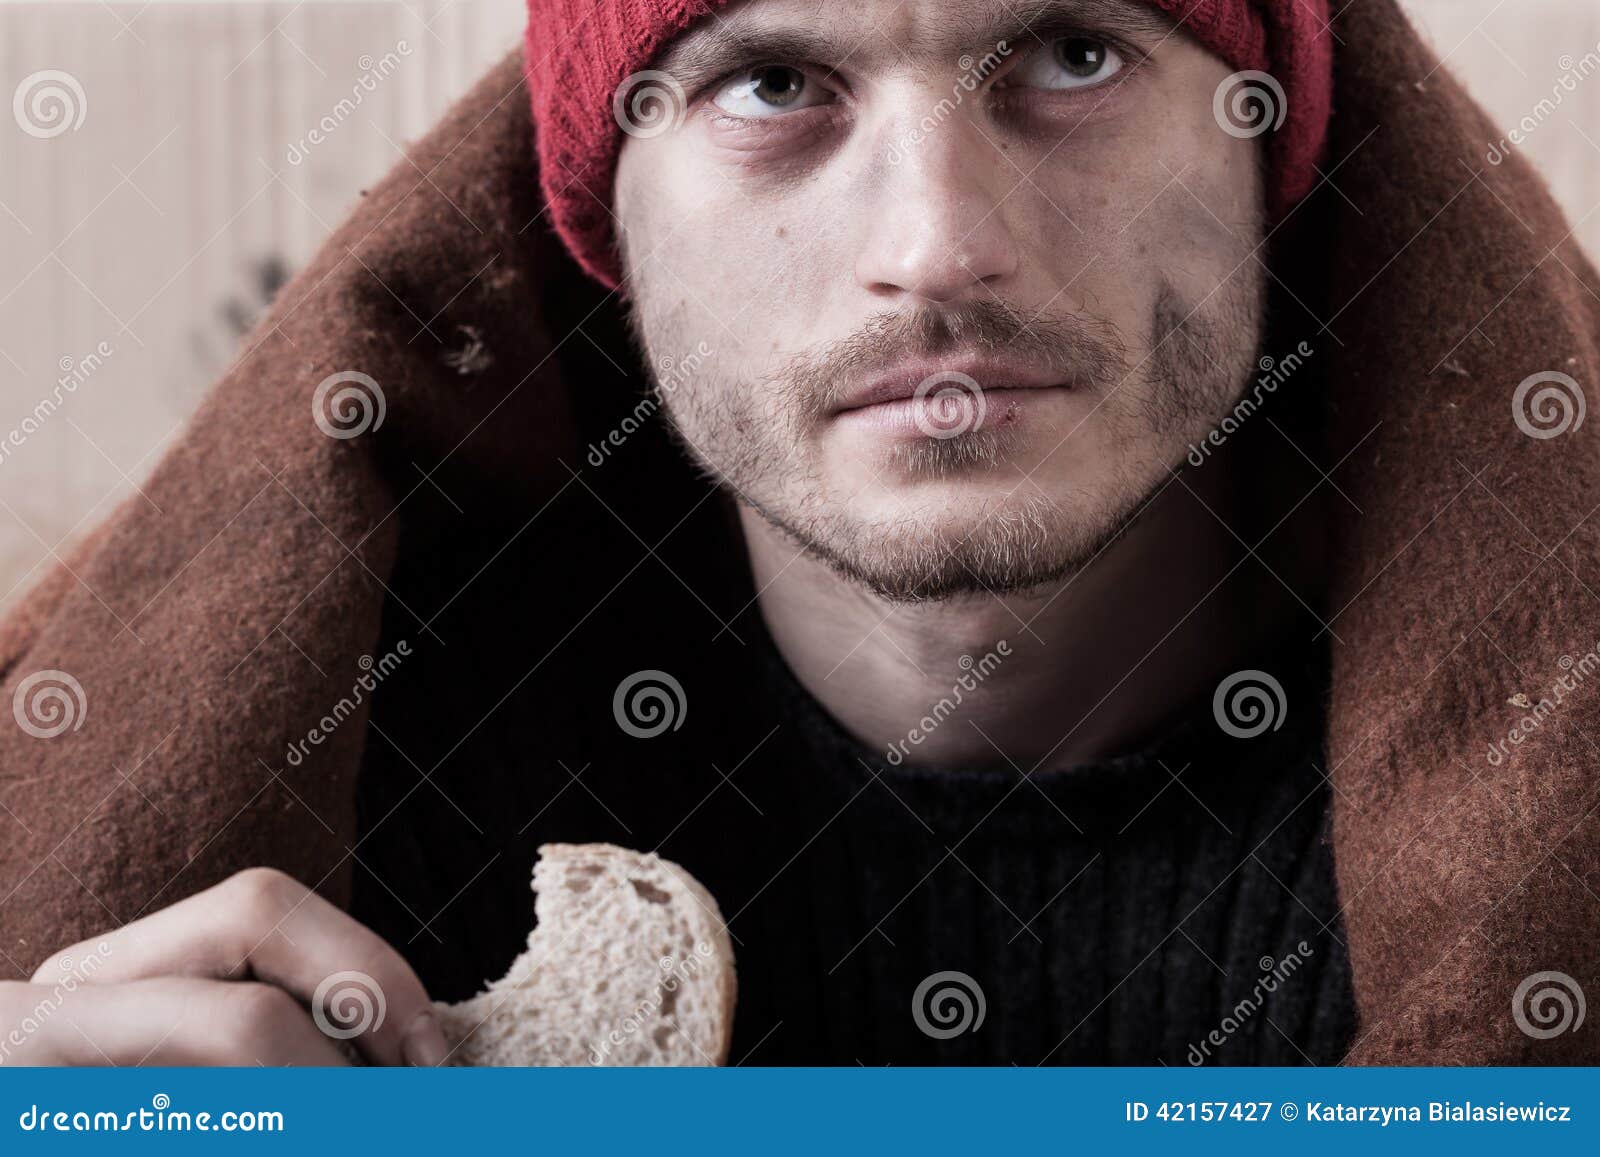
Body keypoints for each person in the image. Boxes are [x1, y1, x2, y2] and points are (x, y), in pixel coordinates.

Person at [1, 0, 1596, 1066]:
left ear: (1270, 145)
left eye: (1071, 54)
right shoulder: (346, 825)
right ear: (598, 207)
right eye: (774, 84)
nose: (939, 243)